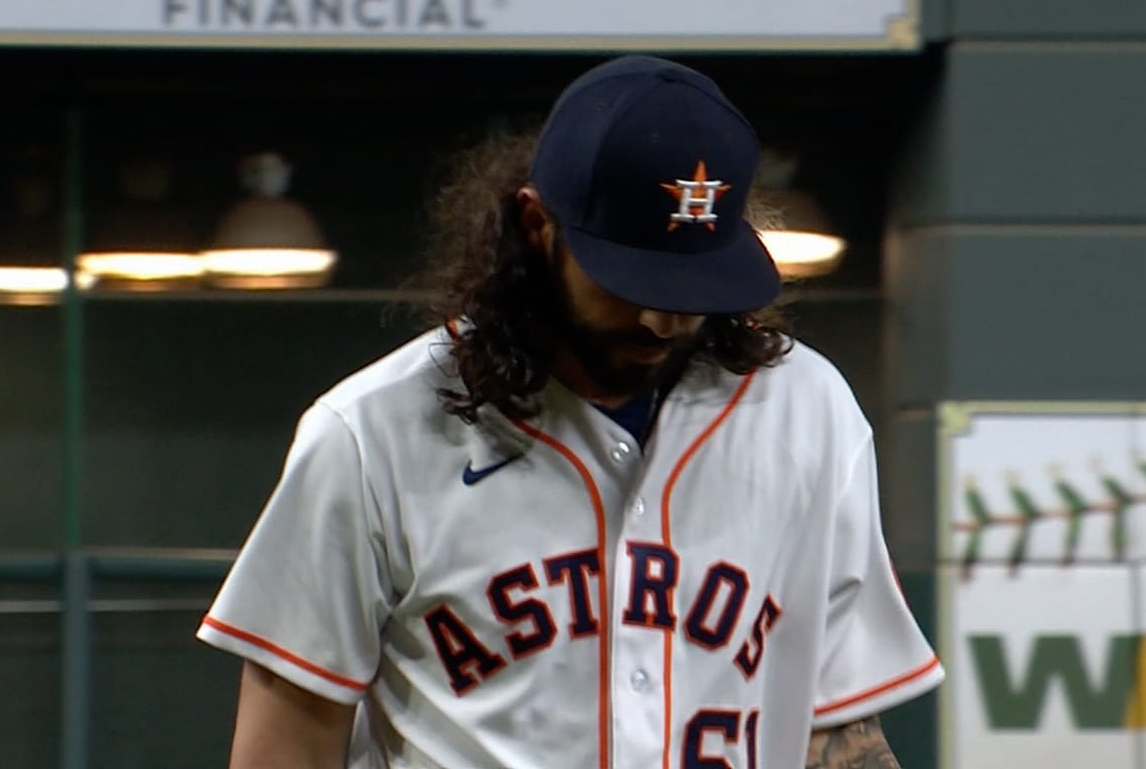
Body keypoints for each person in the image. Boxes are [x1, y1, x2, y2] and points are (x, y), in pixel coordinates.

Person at [197, 55, 943, 768]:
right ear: (536, 224)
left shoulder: (809, 414)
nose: (661, 320)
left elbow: (839, 729)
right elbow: (288, 739)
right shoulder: (372, 433)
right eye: (629, 279)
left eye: (690, 286)